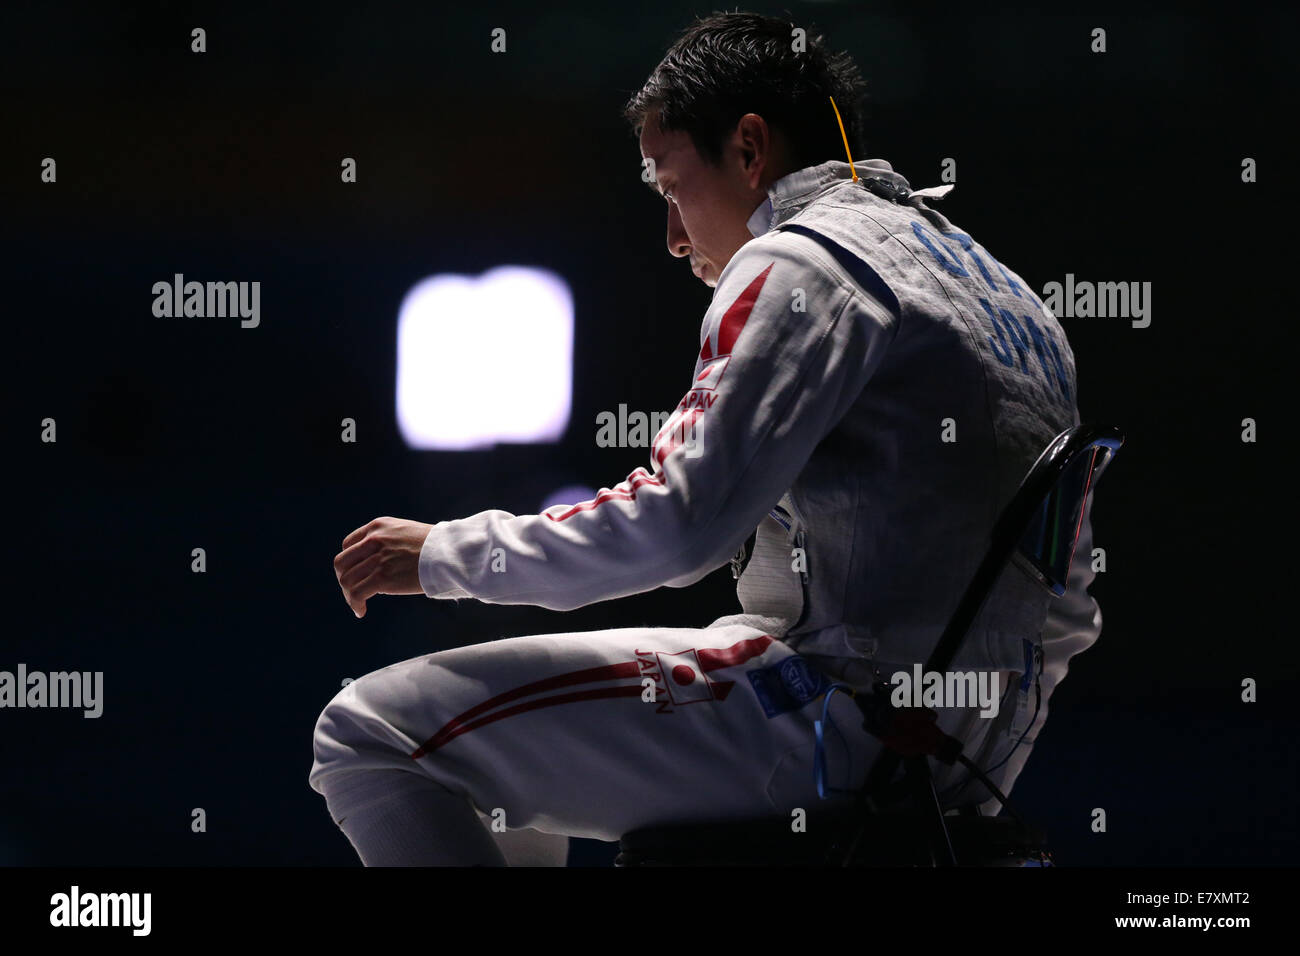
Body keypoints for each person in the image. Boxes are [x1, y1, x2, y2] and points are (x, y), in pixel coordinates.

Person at [309, 11, 1103, 866]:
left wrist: (444, 554)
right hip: (974, 752)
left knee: (368, 729)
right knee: (503, 771)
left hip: (830, 717)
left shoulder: (803, 262)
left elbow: (677, 525)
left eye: (669, 185)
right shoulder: (1007, 294)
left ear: (750, 149)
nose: (674, 237)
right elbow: (1071, 599)